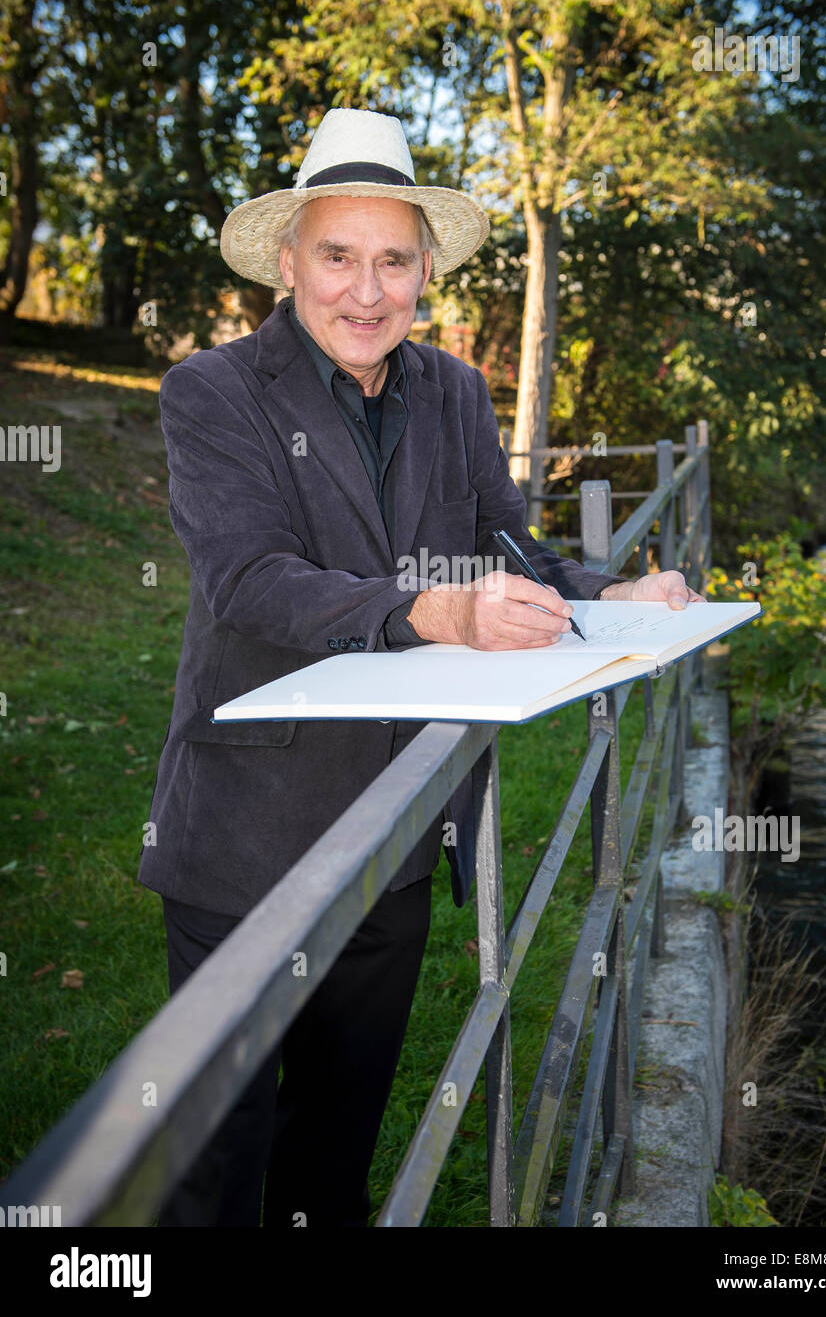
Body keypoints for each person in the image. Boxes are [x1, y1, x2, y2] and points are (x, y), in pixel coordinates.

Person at [139, 107, 703, 1228]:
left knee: (336, 1148)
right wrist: (430, 611)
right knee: (216, 1160)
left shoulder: (452, 389)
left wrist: (607, 590)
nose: (366, 289)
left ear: (427, 269)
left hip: (402, 834)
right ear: (288, 261)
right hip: (248, 835)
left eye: (392, 259)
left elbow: (507, 543)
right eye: (337, 256)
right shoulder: (210, 392)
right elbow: (252, 579)